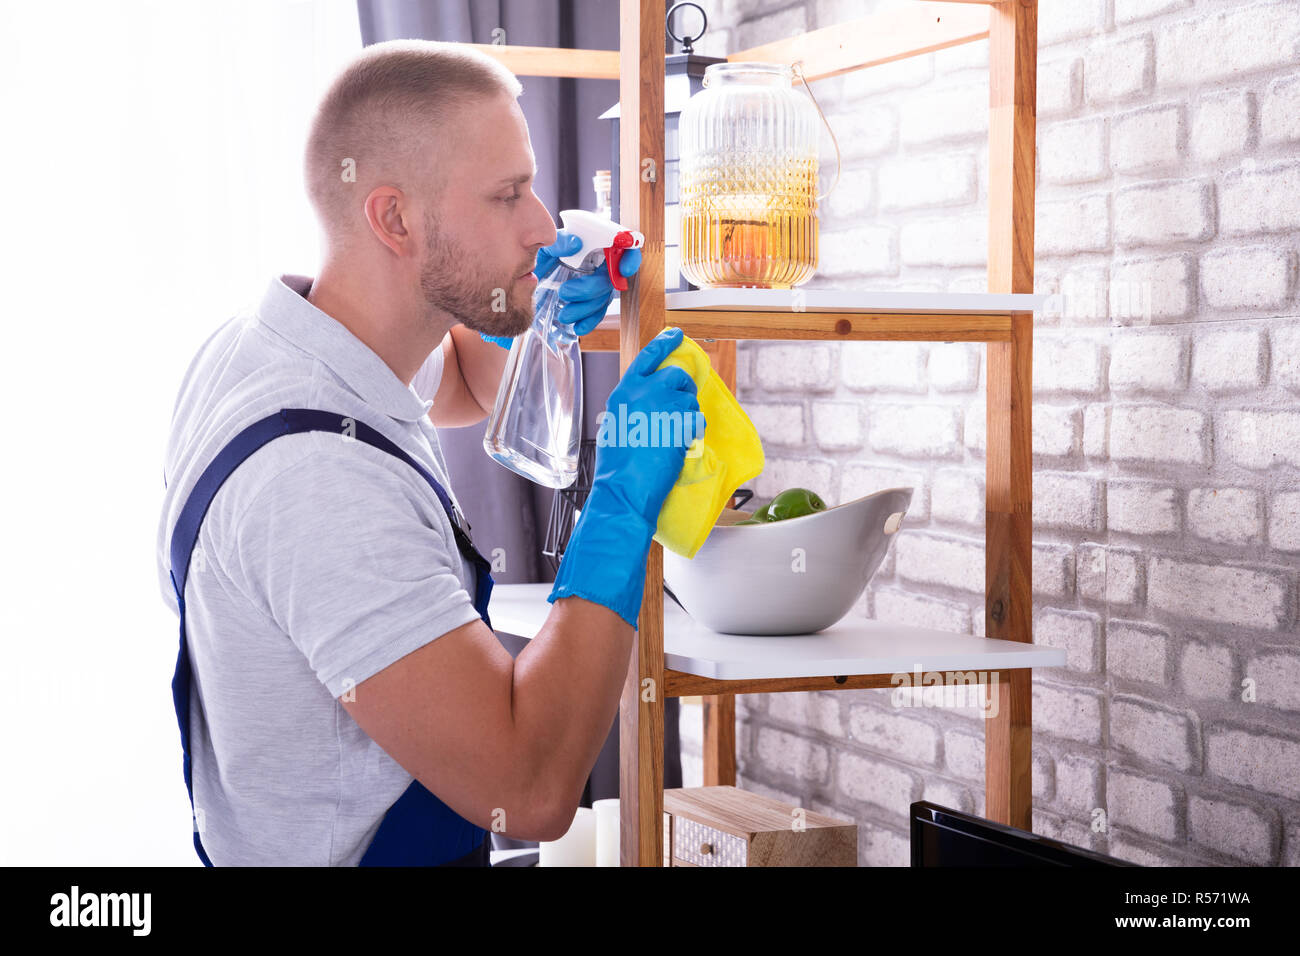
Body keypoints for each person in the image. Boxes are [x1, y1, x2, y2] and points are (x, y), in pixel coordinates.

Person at [156, 39, 703, 866]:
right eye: (508, 195)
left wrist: (528, 310)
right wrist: (620, 505)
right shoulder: (319, 482)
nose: (542, 226)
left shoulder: (284, 348)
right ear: (394, 218)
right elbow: (529, 789)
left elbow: (467, 390)